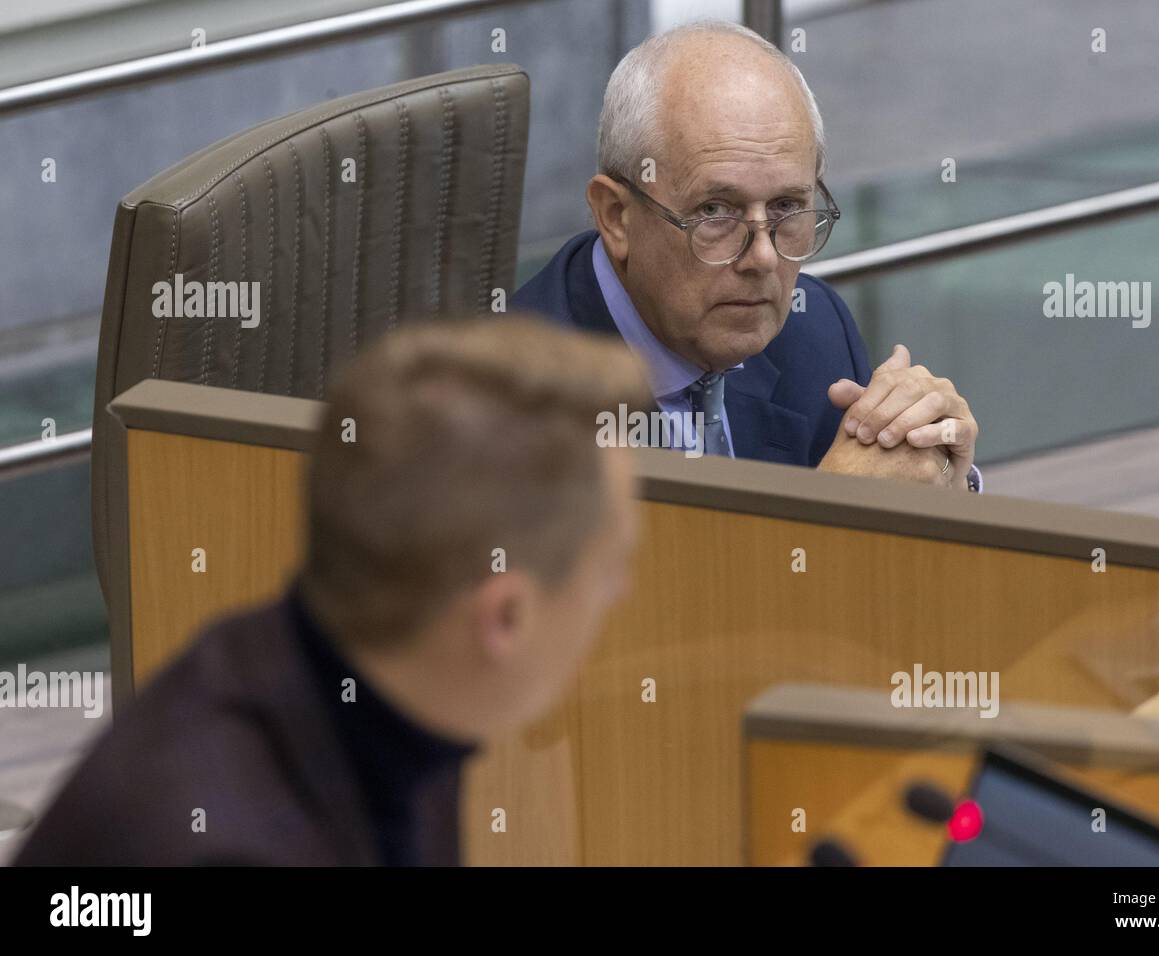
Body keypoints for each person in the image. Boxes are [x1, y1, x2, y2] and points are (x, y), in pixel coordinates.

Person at [16, 316, 648, 866]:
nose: (620, 594)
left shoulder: (401, 697)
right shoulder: (218, 843)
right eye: (610, 567)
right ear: (505, 617)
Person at [514, 19, 981, 490]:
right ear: (616, 216)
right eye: (715, 211)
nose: (762, 259)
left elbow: (884, 525)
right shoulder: (508, 408)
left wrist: (940, 481)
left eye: (786, 206)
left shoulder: (813, 326)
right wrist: (828, 510)